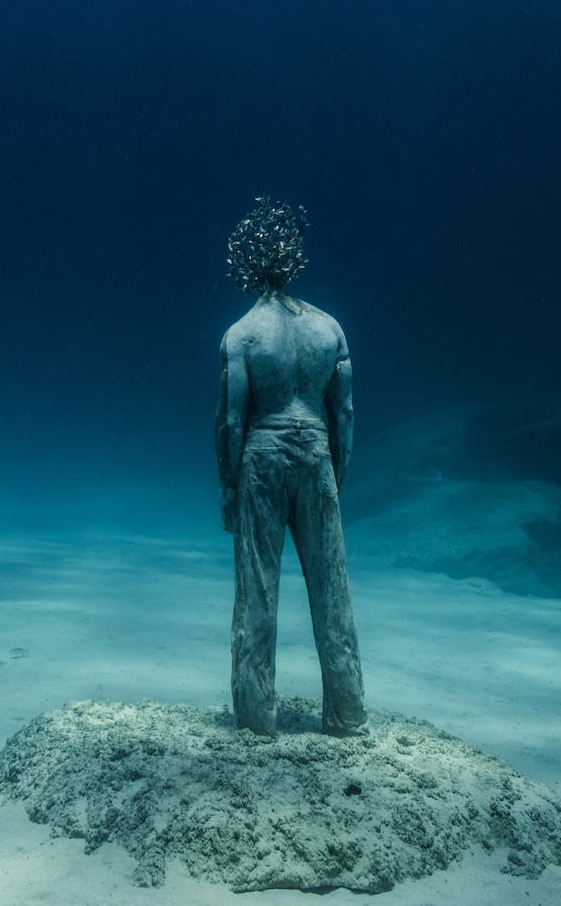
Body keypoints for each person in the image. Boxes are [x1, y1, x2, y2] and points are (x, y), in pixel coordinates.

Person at [215, 199, 366, 738]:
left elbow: (232, 421)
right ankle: (347, 718)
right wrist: (335, 475)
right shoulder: (330, 330)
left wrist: (230, 485)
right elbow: (343, 413)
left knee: (257, 592)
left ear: (250, 270)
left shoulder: (242, 335)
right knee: (333, 593)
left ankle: (257, 722)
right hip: (317, 455)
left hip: (262, 458)